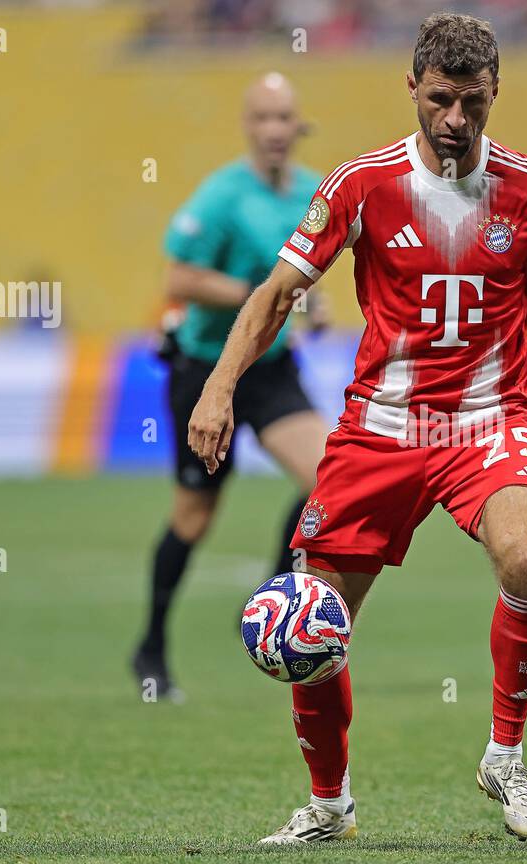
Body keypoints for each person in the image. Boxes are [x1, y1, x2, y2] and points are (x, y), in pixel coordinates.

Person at [188, 13, 527, 841]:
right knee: (315, 617)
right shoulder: (361, 186)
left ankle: (505, 760)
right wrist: (220, 388)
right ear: (411, 88)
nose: (453, 120)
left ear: (494, 93)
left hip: (489, 421)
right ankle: (329, 806)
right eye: (439, 100)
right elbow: (274, 294)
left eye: (471, 102)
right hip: (381, 427)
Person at [133, 72, 330, 701]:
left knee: (331, 480)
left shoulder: (310, 192)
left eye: (284, 118)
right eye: (262, 118)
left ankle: (274, 602)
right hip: (205, 371)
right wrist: (259, 299)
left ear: (299, 126)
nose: (274, 130)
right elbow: (180, 277)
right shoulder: (221, 196)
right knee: (194, 517)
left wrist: (312, 304)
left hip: (270, 370)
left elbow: (305, 270)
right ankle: (151, 647)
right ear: (248, 125)